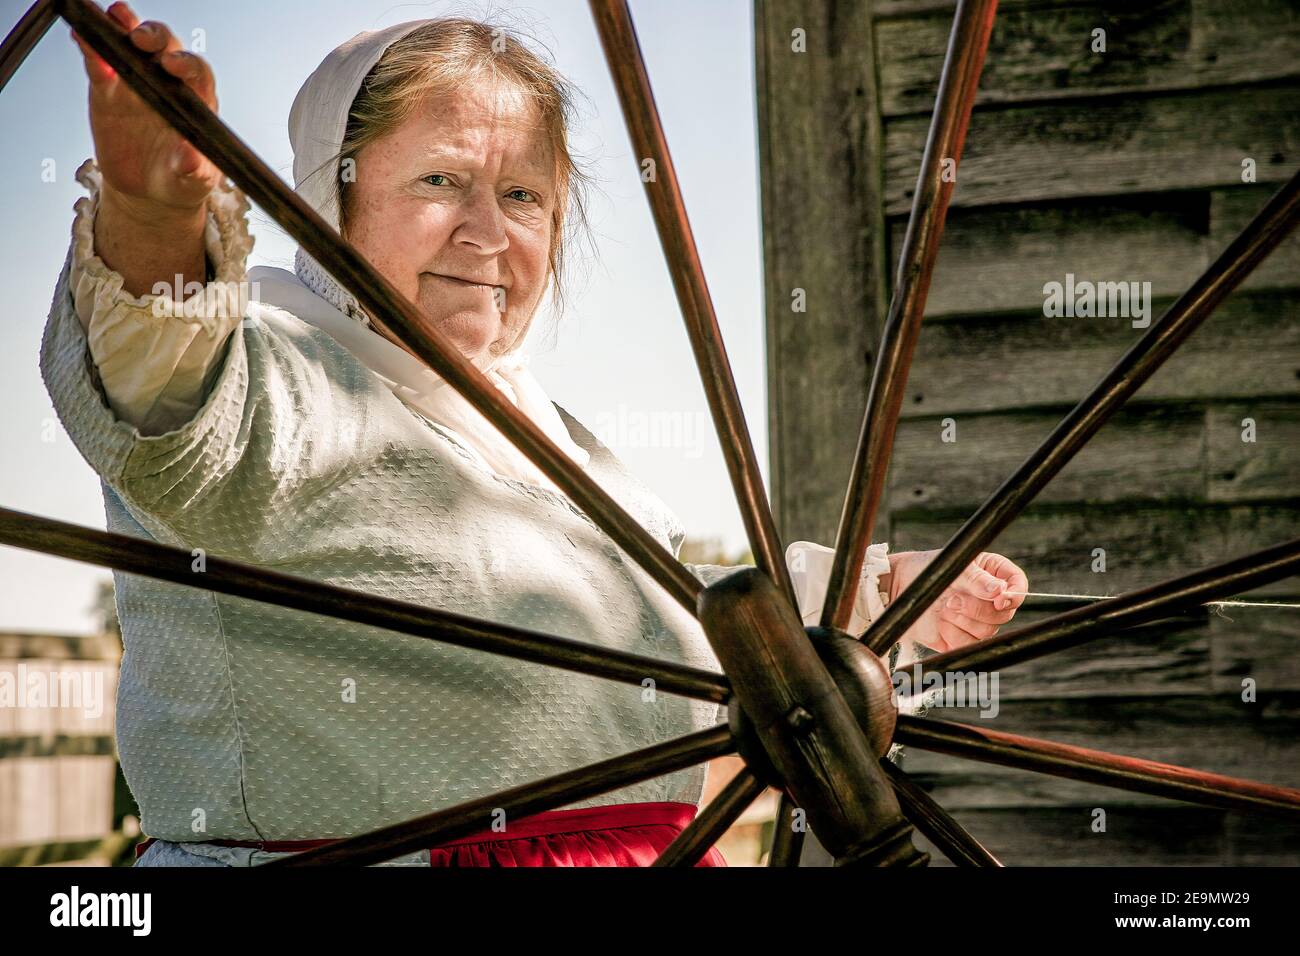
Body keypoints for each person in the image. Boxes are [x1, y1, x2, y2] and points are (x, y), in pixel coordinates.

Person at [48, 3, 1027, 867]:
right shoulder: (261, 372)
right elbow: (158, 369)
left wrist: (867, 595)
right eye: (441, 180)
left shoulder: (551, 437)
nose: (486, 233)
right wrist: (150, 209)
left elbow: (673, 629)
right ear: (325, 196)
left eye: (523, 196)